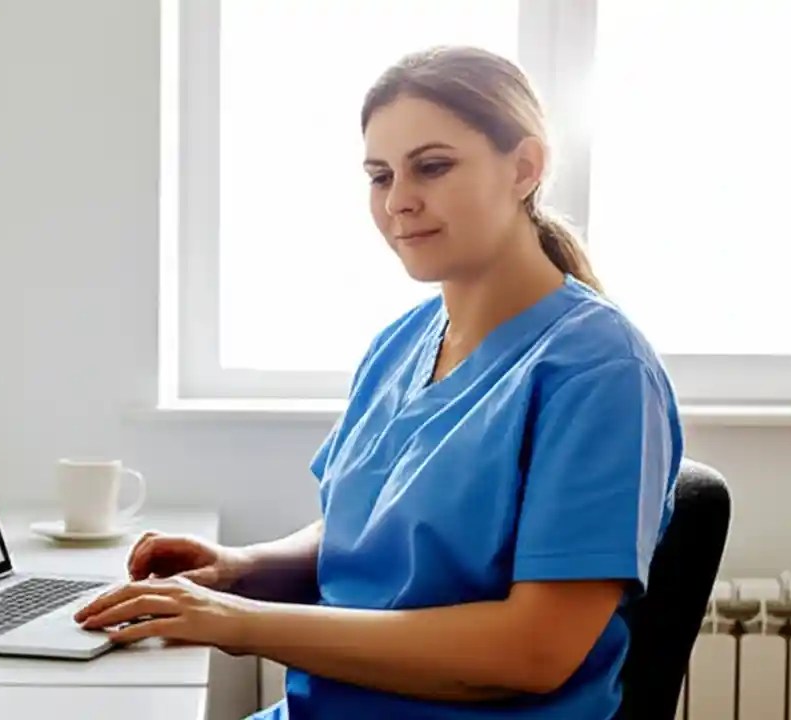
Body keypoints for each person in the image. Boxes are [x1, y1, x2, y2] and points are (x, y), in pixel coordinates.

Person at [75, 45, 682, 719]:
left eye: (433, 166)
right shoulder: (402, 343)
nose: (399, 201)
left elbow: (533, 651)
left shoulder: (599, 371)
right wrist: (239, 567)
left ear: (525, 167)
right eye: (379, 175)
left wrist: (239, 620)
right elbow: (362, 530)